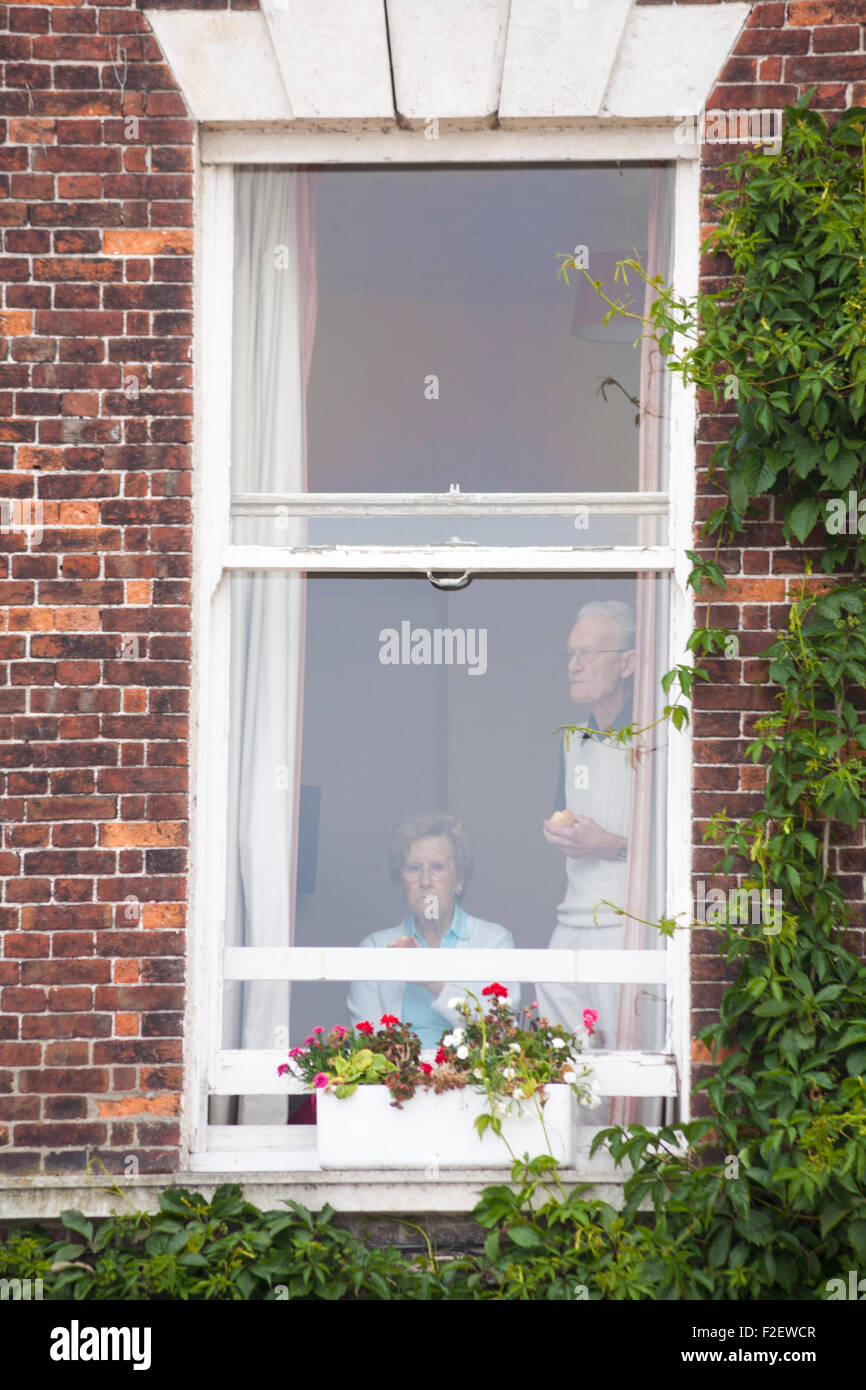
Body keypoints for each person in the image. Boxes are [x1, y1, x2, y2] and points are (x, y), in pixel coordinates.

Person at [536, 601, 635, 1054]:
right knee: (565, 1062)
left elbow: (688, 848)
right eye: (570, 655)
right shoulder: (571, 738)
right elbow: (569, 815)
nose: (574, 666)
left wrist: (612, 845)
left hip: (629, 927)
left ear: (628, 662)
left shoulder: (658, 737)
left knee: (626, 1061)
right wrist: (563, 835)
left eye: (588, 654)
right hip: (571, 920)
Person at [348, 812, 519, 1047]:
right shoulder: (374, 947)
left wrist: (435, 983)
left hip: (473, 1080)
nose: (426, 881)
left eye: (438, 867)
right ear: (401, 881)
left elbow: (500, 1034)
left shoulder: (493, 940)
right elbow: (367, 1045)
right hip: (399, 1078)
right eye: (414, 868)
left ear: (459, 880)